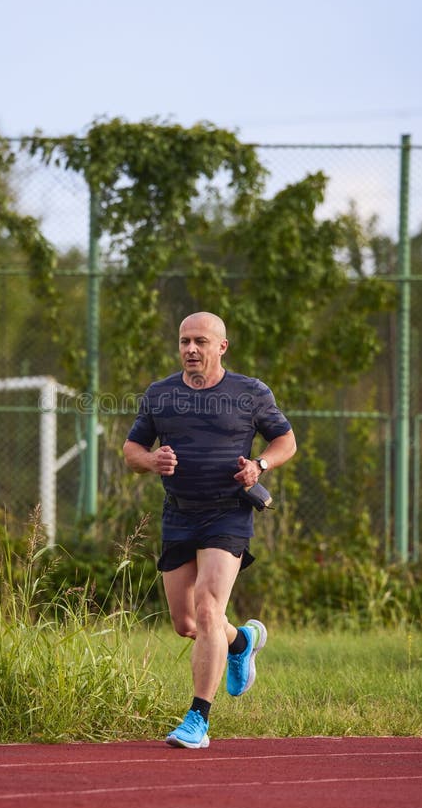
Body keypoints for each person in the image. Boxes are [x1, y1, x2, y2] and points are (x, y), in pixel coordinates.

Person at [123, 311, 296, 749]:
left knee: (207, 607)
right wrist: (152, 461)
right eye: (184, 341)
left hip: (228, 513)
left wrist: (260, 465)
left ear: (222, 346)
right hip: (179, 514)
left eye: (200, 341)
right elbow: (131, 449)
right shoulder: (161, 395)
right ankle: (242, 641)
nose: (190, 349)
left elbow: (285, 441)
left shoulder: (250, 393)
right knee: (187, 623)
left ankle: (197, 720)